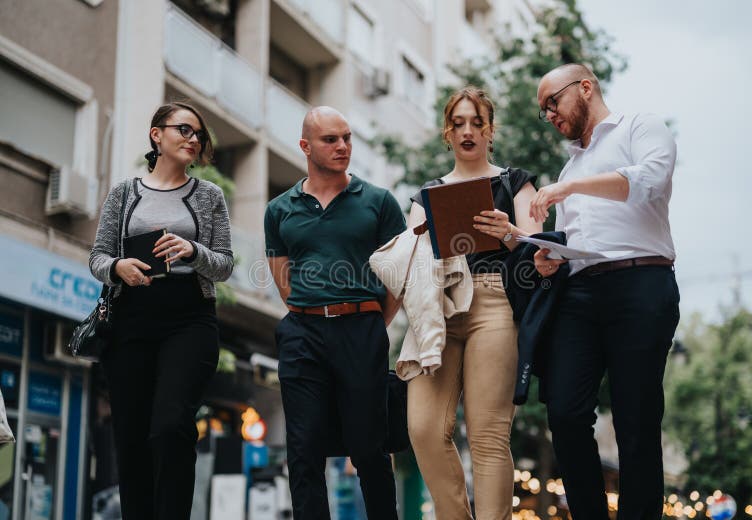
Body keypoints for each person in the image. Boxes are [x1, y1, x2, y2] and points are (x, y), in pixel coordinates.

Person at [530, 63, 680, 519]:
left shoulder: (639, 126)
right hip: (578, 295)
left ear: (585, 87)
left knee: (636, 420)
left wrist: (570, 187)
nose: (550, 115)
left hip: (641, 284)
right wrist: (549, 258)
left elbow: (650, 181)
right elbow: (575, 239)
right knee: (564, 411)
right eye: (544, 111)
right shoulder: (568, 165)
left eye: (552, 102)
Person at [89, 102, 234, 519]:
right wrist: (119, 268)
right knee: (131, 438)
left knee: (171, 426)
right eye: (184, 130)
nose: (193, 139)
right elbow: (98, 257)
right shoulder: (124, 193)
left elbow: (223, 264)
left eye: (199, 135)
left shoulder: (209, 196)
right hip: (131, 317)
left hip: (189, 317)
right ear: (157, 135)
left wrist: (193, 249)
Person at [264, 106, 406, 520]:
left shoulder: (379, 202)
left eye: (346, 137)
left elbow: (396, 276)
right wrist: (314, 312)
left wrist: (371, 321)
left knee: (369, 448)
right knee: (303, 449)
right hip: (302, 332)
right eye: (331, 139)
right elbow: (282, 279)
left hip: (362, 329)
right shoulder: (279, 210)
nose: (343, 146)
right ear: (306, 146)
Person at [406, 86, 541, 520]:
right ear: (447, 132)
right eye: (458, 123)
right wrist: (421, 240)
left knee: (487, 436)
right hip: (439, 306)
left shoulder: (514, 181)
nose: (467, 131)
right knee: (424, 428)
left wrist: (508, 233)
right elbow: (410, 260)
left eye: (476, 122)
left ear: (490, 129)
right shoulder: (426, 193)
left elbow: (541, 246)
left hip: (494, 302)